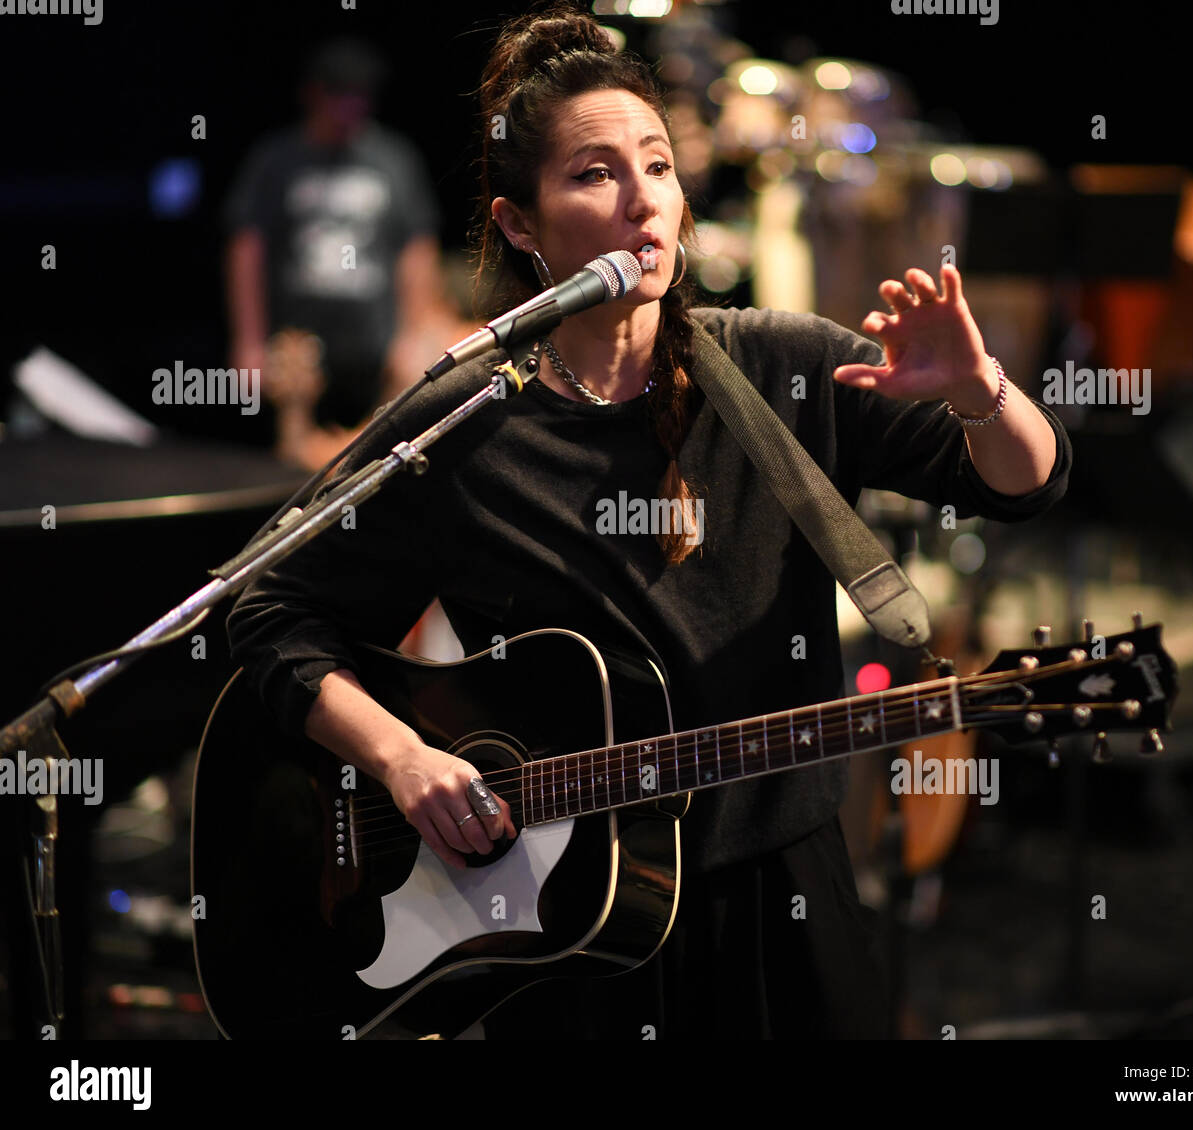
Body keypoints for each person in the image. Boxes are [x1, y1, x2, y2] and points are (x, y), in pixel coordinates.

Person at [226, 2, 1070, 1039]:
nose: (644, 205)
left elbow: (1024, 482)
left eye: (658, 165)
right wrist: (401, 757)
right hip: (562, 938)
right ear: (520, 226)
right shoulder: (464, 424)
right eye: (595, 174)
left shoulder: (784, 366)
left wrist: (980, 389)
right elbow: (268, 613)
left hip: (784, 906)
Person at [224, 36, 473, 467]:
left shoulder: (393, 159)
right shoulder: (277, 160)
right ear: (313, 95)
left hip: (373, 347)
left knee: (371, 462)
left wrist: (414, 331)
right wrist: (248, 340)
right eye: (338, 96)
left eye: (358, 97)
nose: (348, 109)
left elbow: (416, 248)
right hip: (298, 349)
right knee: (294, 467)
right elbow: (247, 248)